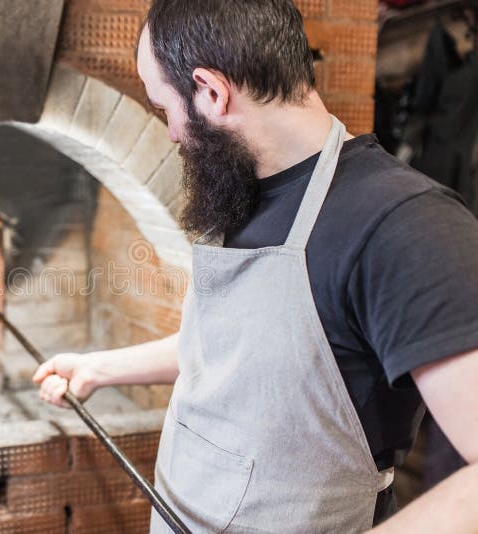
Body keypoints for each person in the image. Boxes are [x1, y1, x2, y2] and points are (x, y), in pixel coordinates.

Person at [33, 1, 478, 532]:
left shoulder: (405, 225)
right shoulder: (241, 192)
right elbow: (247, 353)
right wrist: (100, 368)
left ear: (211, 91)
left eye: (163, 109)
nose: (171, 134)